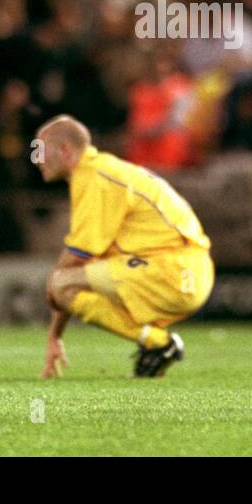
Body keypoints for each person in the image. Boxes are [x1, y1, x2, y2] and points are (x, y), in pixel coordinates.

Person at [32, 115, 214, 378]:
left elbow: (71, 265)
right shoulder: (100, 171)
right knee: (69, 284)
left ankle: (159, 344)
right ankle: (156, 346)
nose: (36, 160)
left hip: (174, 270)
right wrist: (55, 330)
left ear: (65, 150)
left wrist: (54, 310)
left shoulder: (96, 178)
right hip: (179, 271)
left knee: (63, 283)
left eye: (39, 150)